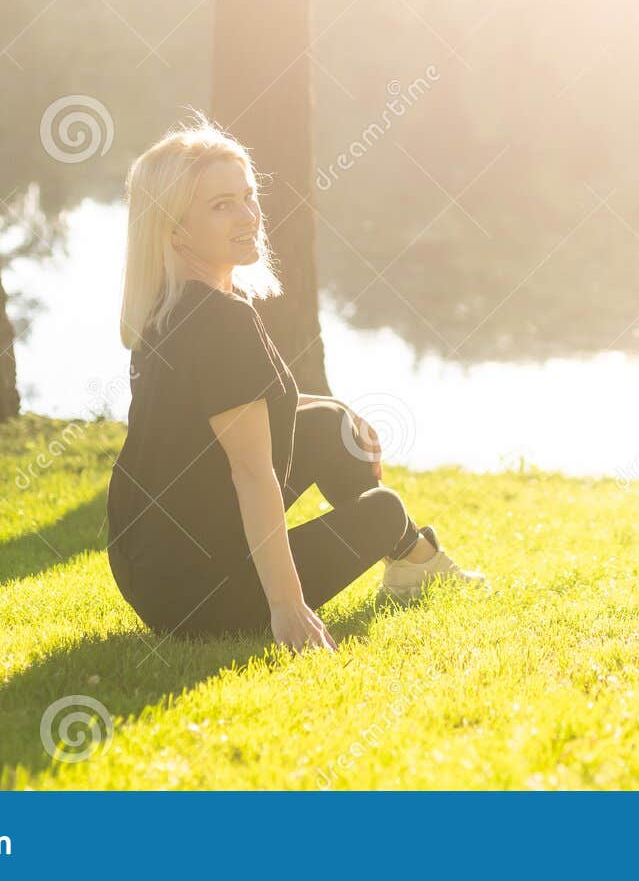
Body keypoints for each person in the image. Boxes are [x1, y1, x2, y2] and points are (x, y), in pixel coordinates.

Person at [106, 112, 485, 652]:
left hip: (149, 575)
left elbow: (212, 414)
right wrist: (286, 606)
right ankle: (414, 559)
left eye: (248, 196)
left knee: (332, 425)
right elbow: (251, 472)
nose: (248, 216)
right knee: (383, 511)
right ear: (175, 229)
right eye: (221, 206)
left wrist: (337, 411)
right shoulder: (222, 322)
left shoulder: (167, 307)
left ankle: (415, 564)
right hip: (202, 594)